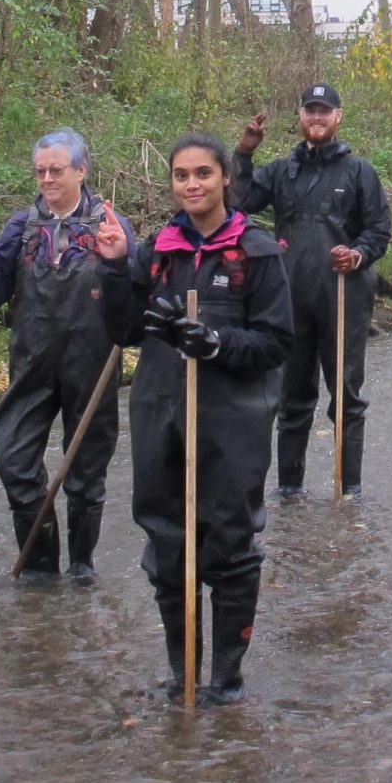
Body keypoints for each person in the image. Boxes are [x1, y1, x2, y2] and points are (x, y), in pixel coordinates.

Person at [95, 131, 293, 705]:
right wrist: (112, 270)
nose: (192, 185)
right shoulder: (158, 249)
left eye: (203, 174)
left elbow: (276, 341)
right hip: (160, 411)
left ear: (225, 177)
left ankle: (226, 680)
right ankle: (183, 674)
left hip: (233, 418)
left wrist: (215, 342)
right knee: (165, 542)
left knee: (229, 543)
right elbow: (123, 329)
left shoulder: (257, 251)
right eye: (182, 175)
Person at [0, 129, 136, 581]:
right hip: (31, 362)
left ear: (81, 170)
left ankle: (82, 563)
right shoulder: (21, 226)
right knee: (14, 459)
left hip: (93, 363)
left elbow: (133, 300)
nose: (46, 178)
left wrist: (119, 264)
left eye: (56, 170)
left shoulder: (109, 223)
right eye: (40, 170)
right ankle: (42, 565)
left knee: (86, 469)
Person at [234, 84, 392, 497]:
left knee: (345, 395)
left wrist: (357, 255)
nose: (317, 118)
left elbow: (379, 231)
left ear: (338, 117)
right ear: (300, 117)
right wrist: (245, 154)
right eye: (310, 111)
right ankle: (289, 491)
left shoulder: (360, 172)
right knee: (291, 398)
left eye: (325, 111)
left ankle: (350, 490)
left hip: (344, 296)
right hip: (289, 298)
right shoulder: (281, 170)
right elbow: (238, 201)